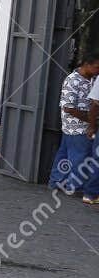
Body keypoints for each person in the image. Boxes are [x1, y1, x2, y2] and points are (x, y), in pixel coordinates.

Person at [49, 51, 99, 199]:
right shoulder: (72, 80)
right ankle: (74, 187)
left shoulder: (91, 79)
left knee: (65, 154)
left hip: (78, 126)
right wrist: (91, 122)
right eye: (96, 67)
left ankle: (56, 181)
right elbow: (68, 107)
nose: (98, 70)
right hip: (77, 126)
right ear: (86, 65)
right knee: (80, 157)